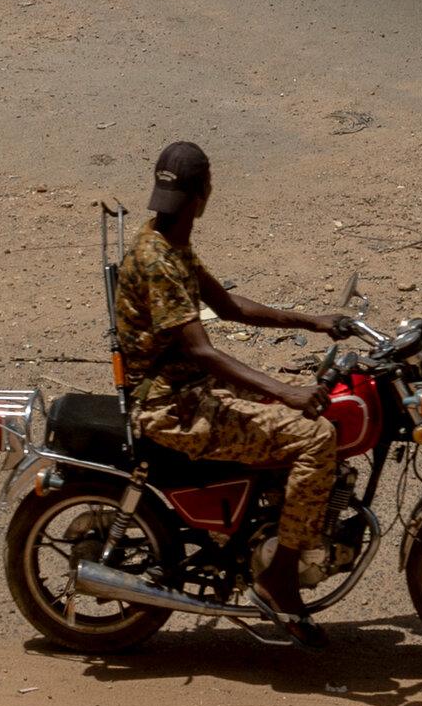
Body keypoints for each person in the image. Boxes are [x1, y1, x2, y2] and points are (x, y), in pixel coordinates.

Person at [115, 139, 349, 634]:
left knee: (311, 403)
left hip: (187, 388)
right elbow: (201, 349)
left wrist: (313, 321)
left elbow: (230, 307)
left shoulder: (168, 237)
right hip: (172, 405)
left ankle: (270, 526)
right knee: (316, 437)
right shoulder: (159, 258)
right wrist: (283, 393)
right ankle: (278, 578)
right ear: (206, 193)